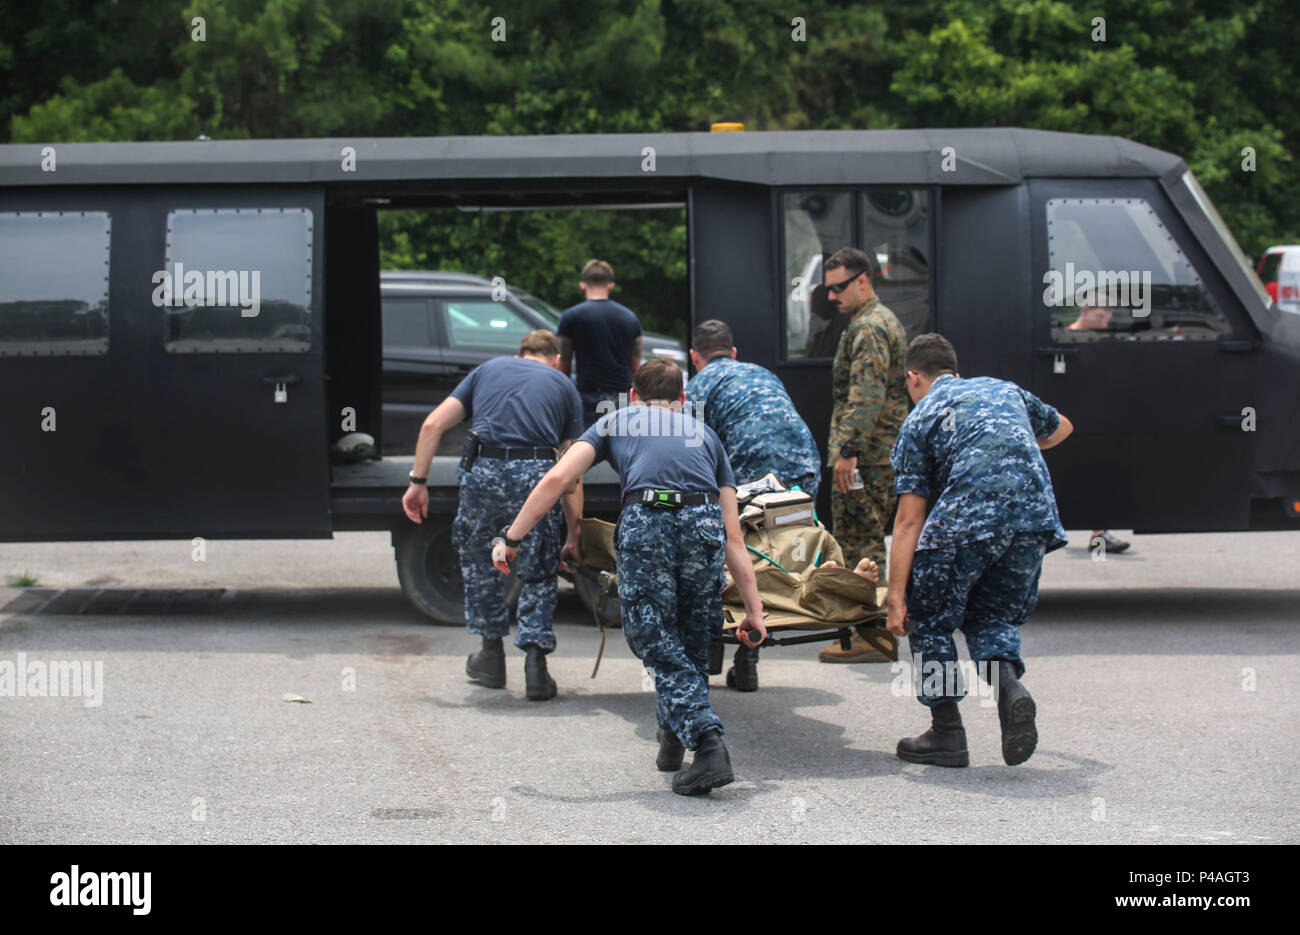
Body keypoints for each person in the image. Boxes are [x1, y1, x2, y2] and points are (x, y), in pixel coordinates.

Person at [491, 359, 767, 796]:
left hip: (649, 519)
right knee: (692, 640)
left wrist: (512, 535)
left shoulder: (617, 419)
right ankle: (674, 740)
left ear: (634, 395)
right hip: (703, 524)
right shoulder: (708, 436)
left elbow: (560, 475)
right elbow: (735, 537)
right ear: (681, 401)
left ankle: (709, 744)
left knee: (651, 635)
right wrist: (754, 611)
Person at [886, 333, 1073, 767]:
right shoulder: (1004, 390)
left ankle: (947, 733)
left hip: (966, 522)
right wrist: (1010, 444)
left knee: (930, 619)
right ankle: (1010, 689)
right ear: (954, 367)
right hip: (1033, 521)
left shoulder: (920, 418)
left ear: (914, 377)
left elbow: (909, 520)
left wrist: (897, 597)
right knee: (991, 615)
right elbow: (1063, 426)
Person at [401, 329, 583, 701]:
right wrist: (574, 534)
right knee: (538, 565)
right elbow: (570, 471)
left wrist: (418, 482)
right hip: (536, 476)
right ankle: (536, 665)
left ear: (519, 355)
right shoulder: (563, 384)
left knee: (482, 560)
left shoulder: (486, 370)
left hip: (482, 470)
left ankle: (491, 656)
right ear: (557, 359)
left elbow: (432, 424)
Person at [685, 318, 821, 691]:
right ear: (732, 353)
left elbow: (691, 455)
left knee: (723, 545)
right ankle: (748, 661)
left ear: (695, 357)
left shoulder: (697, 386)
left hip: (752, 474)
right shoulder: (762, 374)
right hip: (804, 468)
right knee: (774, 555)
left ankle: (712, 641)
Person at [820, 247, 909, 665]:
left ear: (862, 280)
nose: (831, 297)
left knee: (862, 543)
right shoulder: (872, 321)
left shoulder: (870, 327)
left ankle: (874, 637)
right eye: (828, 289)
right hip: (875, 453)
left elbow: (866, 395)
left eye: (838, 288)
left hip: (867, 456)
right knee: (864, 539)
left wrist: (848, 451)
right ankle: (869, 632)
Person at [1063, 300, 1131, 554]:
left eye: (1107, 318)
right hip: (1064, 419)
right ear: (1085, 310)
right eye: (1100, 317)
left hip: (1091, 418)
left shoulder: (1101, 340)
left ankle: (1099, 534)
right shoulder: (1064, 337)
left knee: (1098, 472)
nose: (1104, 323)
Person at [557, 259, 643, 428]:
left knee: (588, 447)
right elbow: (636, 365)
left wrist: (564, 392)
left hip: (587, 394)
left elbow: (564, 361)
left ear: (583, 285)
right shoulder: (629, 317)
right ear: (610, 285)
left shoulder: (571, 317)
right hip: (621, 396)